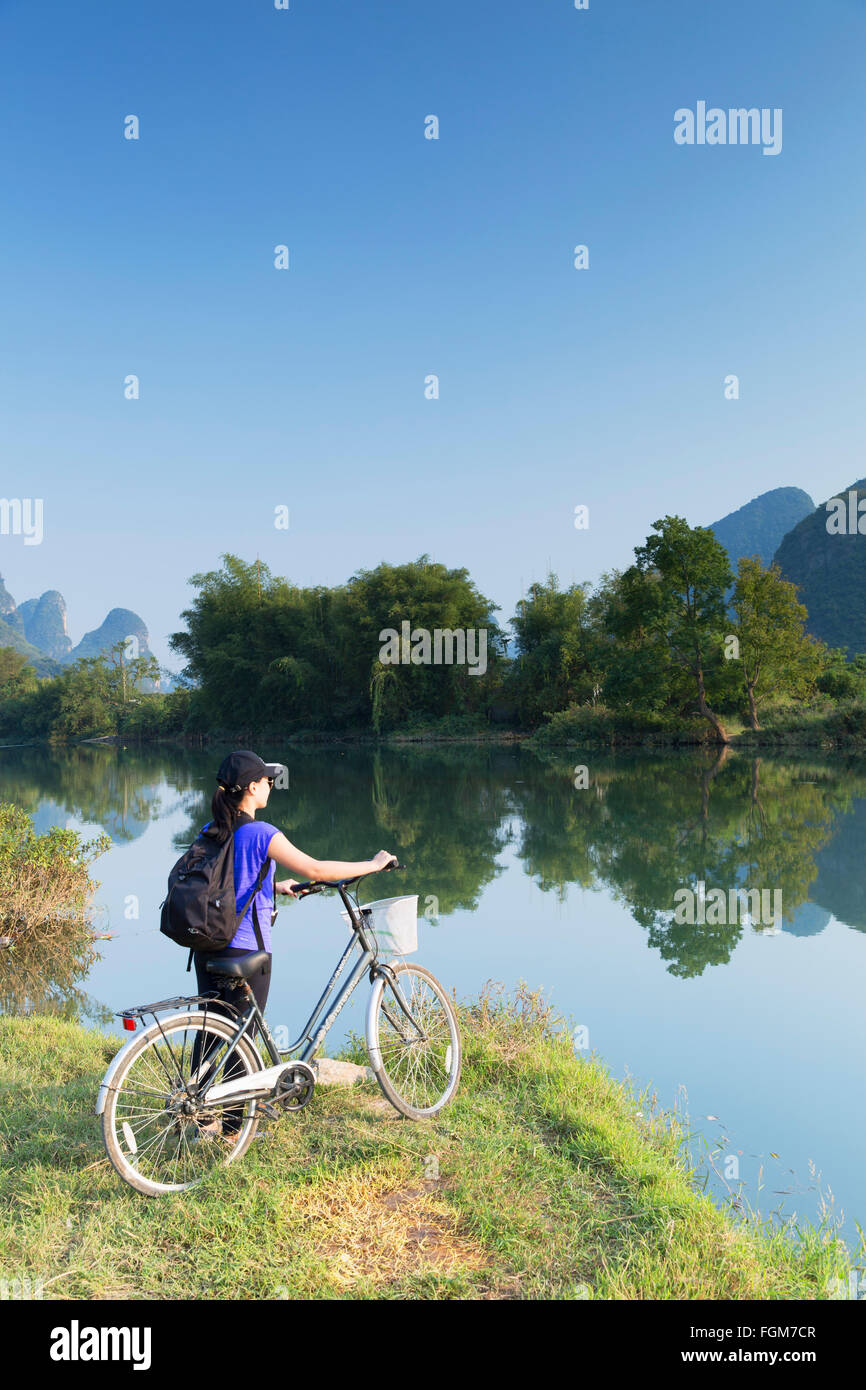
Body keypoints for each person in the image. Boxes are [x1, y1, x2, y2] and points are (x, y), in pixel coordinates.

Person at [193, 748, 396, 1140]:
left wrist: (274, 884)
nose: (271, 784)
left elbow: (224, 879)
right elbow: (317, 869)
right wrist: (372, 865)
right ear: (252, 787)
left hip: (206, 946)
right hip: (246, 949)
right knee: (242, 1036)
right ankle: (235, 1130)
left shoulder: (212, 829)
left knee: (212, 1028)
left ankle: (199, 1116)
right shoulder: (261, 832)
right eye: (266, 779)